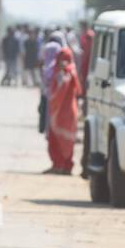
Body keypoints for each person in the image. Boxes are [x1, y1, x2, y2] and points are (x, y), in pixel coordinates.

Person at [43, 38, 81, 174]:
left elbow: (59, 92)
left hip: (60, 112)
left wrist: (52, 102)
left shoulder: (65, 73)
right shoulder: (70, 71)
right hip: (69, 111)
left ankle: (61, 165)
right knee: (65, 140)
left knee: (59, 140)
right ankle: (63, 165)